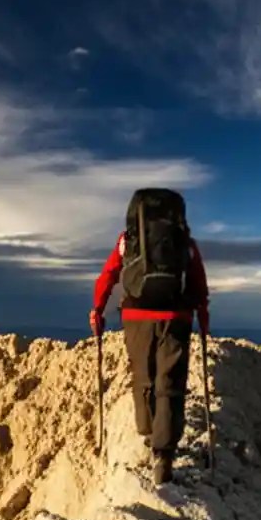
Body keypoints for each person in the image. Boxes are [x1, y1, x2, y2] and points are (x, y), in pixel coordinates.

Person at [90, 188, 209, 484]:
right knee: (170, 382)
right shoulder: (185, 243)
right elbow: (198, 284)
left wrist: (97, 309)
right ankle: (164, 453)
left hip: (136, 317)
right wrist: (201, 317)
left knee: (144, 377)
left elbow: (108, 276)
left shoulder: (126, 240)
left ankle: (147, 432)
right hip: (176, 317)